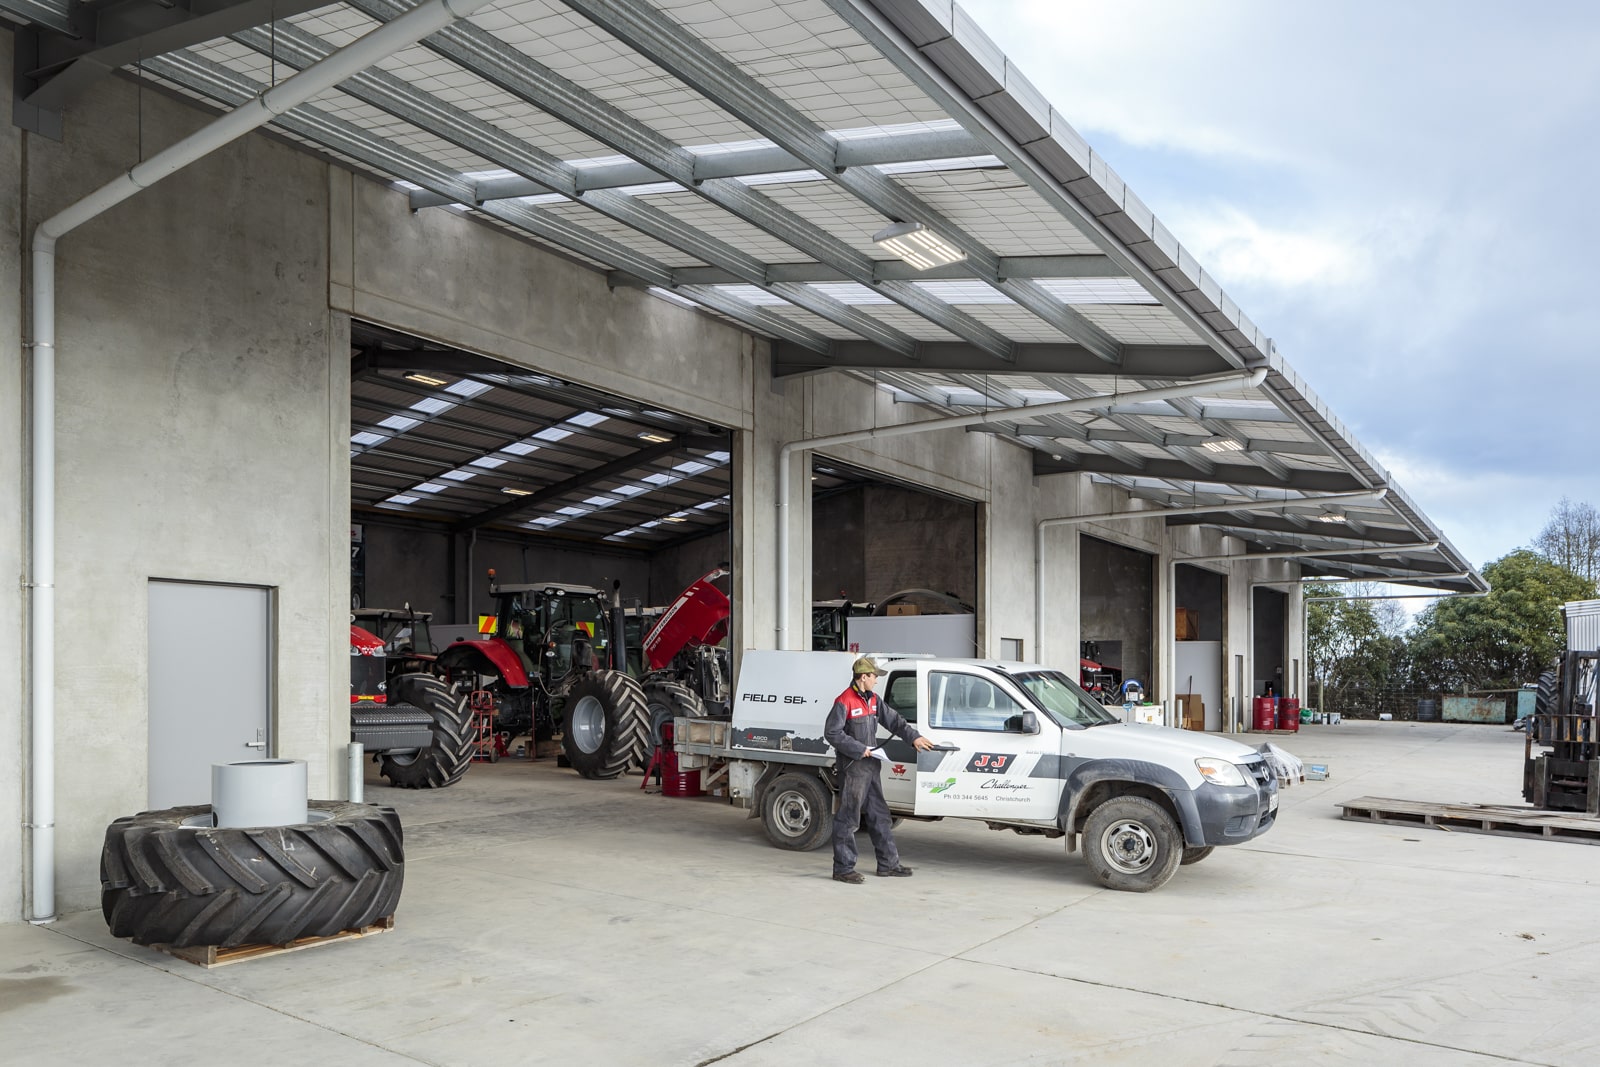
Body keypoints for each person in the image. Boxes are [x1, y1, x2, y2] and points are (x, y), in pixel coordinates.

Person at [823, 656, 935, 884]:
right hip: (854, 768)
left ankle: (888, 864)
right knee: (848, 819)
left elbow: (894, 721)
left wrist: (914, 737)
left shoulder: (872, 700)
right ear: (864, 677)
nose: (876, 681)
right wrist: (858, 748)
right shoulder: (844, 701)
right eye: (874, 677)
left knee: (880, 816)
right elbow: (832, 733)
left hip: (871, 766)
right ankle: (843, 869)